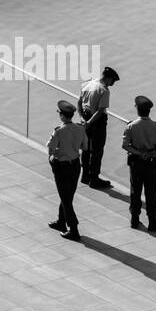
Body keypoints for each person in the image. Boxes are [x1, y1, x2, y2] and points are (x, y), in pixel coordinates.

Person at [122, 95, 156, 231]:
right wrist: (150, 152)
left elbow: (125, 145)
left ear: (137, 109)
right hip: (152, 163)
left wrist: (139, 153)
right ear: (149, 111)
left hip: (136, 163)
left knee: (135, 191)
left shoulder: (131, 126)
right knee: (151, 192)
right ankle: (152, 221)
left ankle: (134, 219)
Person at [47, 100, 87, 242]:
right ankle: (60, 221)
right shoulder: (80, 129)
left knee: (66, 198)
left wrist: (51, 161)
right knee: (67, 196)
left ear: (63, 116)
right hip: (75, 165)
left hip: (62, 167)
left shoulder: (59, 130)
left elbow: (51, 148)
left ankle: (74, 229)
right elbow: (85, 147)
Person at [78, 66, 119, 189]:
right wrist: (90, 122)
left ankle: (85, 176)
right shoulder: (104, 90)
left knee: (85, 148)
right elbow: (101, 111)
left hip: (84, 118)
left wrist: (81, 118)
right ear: (108, 78)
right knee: (97, 151)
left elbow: (79, 102)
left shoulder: (87, 84)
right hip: (96, 123)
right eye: (112, 81)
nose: (112, 84)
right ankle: (94, 179)